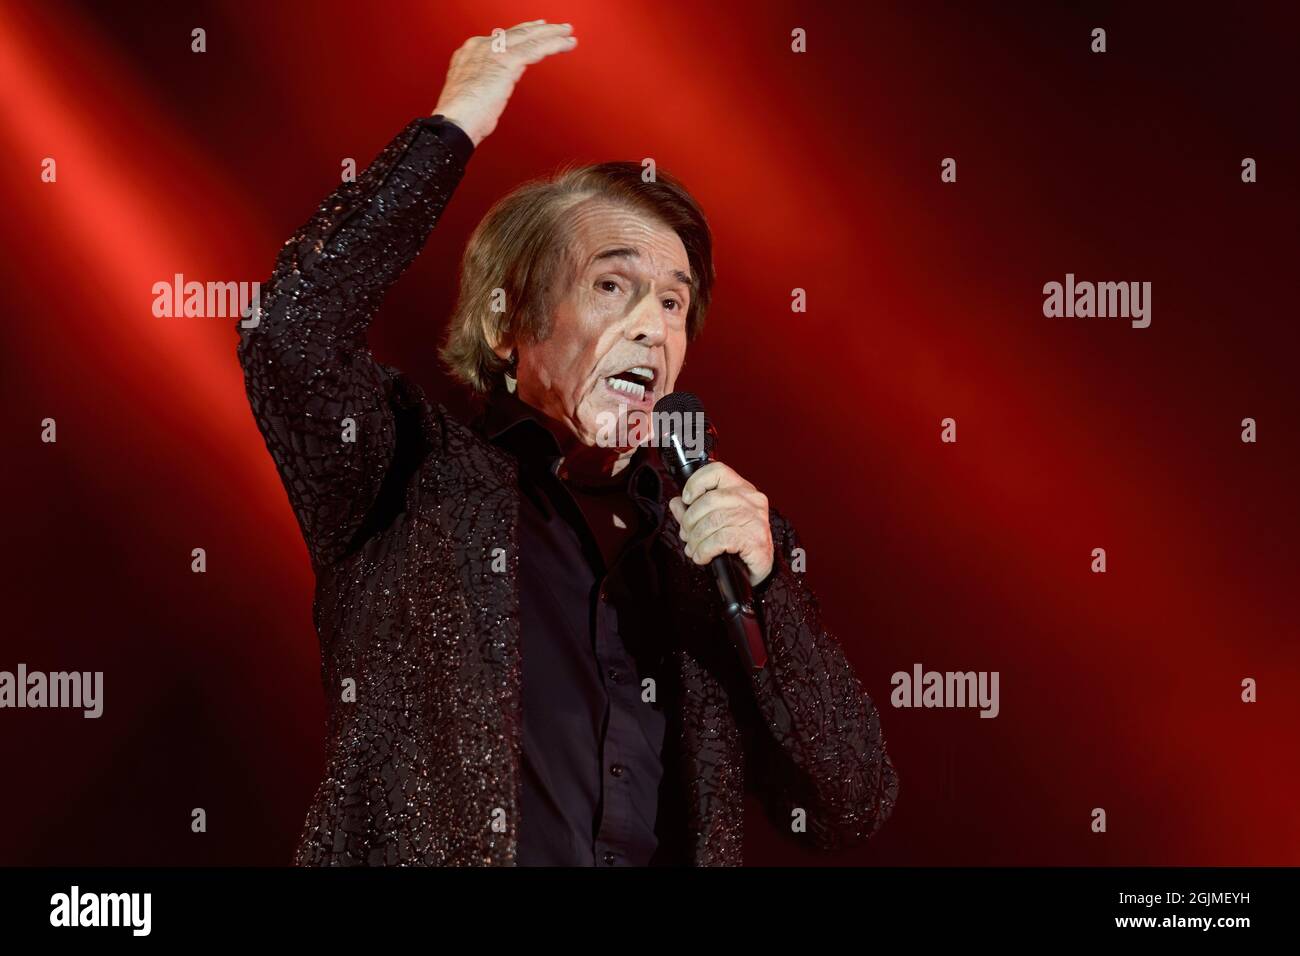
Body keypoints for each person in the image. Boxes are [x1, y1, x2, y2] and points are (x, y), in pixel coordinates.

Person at [236, 19, 897, 866]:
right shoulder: (404, 472)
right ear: (506, 323)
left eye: (672, 302)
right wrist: (453, 126)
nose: (651, 329)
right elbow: (286, 334)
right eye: (612, 285)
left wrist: (767, 590)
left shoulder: (709, 548)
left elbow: (850, 800)